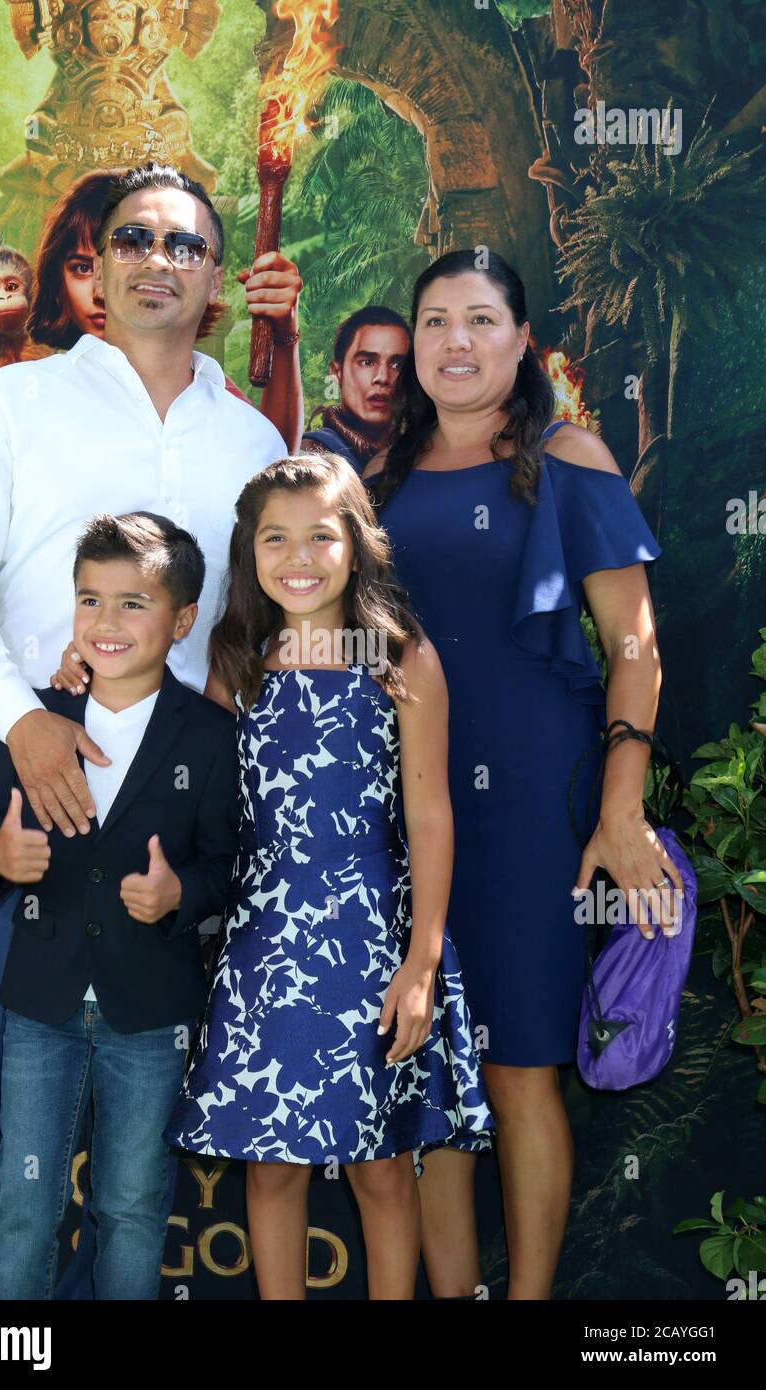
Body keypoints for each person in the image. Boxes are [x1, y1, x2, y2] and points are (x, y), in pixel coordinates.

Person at [0, 159, 287, 1300]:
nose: (156, 260)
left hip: (178, 803)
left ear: (215, 276)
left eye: (182, 243)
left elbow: (265, 621)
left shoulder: (254, 440)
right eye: (134, 239)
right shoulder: (13, 402)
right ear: (97, 264)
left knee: (139, 1079)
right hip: (24, 773)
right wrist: (26, 723)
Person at [362, 249, 682, 1301]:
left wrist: (620, 805)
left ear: (519, 342)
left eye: (480, 320)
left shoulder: (565, 454)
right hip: (402, 806)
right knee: (428, 1066)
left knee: (517, 1063)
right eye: (436, 322)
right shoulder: (380, 476)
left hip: (536, 801)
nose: (455, 341)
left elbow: (632, 645)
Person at [163, 452, 494, 1301]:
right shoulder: (238, 661)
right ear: (250, 551)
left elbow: (429, 817)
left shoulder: (398, 657)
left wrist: (421, 965)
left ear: (358, 544)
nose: (297, 557)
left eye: (320, 535)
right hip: (262, 947)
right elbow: (208, 802)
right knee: (272, 1172)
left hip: (371, 946)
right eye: (275, 538)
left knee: (382, 1170)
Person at [0, 512, 238, 1299]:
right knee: (22, 1200)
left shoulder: (212, 738)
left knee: (134, 1206)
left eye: (133, 603)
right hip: (40, 1005)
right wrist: (0, 857)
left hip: (150, 1013)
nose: (106, 623)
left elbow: (227, 867)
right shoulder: (36, 722)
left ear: (182, 619)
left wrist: (180, 894)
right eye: (90, 600)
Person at [27, 168, 306, 448]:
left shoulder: (203, 393)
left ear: (213, 282)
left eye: (181, 249)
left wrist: (283, 337)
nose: (153, 265)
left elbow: (271, 462)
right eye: (82, 268)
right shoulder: (23, 395)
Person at [301, 306, 411, 474]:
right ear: (337, 373)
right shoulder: (312, 457)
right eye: (367, 362)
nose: (382, 377)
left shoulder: (419, 452)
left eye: (397, 365)